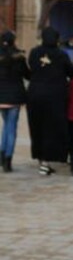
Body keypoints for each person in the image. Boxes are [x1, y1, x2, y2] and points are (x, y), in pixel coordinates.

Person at [27, 26, 73, 175]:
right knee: (52, 128)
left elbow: (32, 69)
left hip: (34, 95)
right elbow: (71, 73)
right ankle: (49, 159)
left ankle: (42, 160)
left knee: (37, 127)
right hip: (55, 97)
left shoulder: (34, 53)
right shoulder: (61, 55)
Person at [0, 29, 29, 172]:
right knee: (11, 128)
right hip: (15, 97)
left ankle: (2, 155)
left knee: (5, 126)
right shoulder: (20, 57)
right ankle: (7, 160)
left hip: (1, 96)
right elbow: (27, 75)